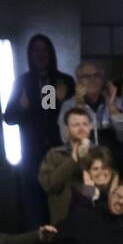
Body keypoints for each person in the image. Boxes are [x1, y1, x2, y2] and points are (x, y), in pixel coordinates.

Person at [3, 34, 75, 228]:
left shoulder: (63, 80)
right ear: (30, 54)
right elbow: (9, 117)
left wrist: (55, 101)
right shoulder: (23, 81)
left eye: (44, 50)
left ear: (51, 53)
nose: (41, 54)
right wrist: (22, 108)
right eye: (36, 50)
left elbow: (52, 113)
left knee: (60, 210)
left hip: (58, 154)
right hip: (31, 155)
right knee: (34, 210)